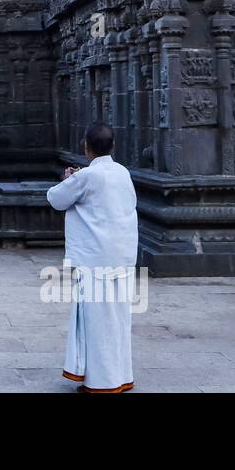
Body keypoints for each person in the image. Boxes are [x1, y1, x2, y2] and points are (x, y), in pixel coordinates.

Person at [47, 124, 139, 394]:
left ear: (86, 147)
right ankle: (121, 376)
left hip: (96, 260)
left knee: (98, 321)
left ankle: (102, 381)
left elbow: (55, 198)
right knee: (118, 319)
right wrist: (78, 178)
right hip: (121, 256)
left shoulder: (87, 176)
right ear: (113, 146)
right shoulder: (122, 172)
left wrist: (69, 179)